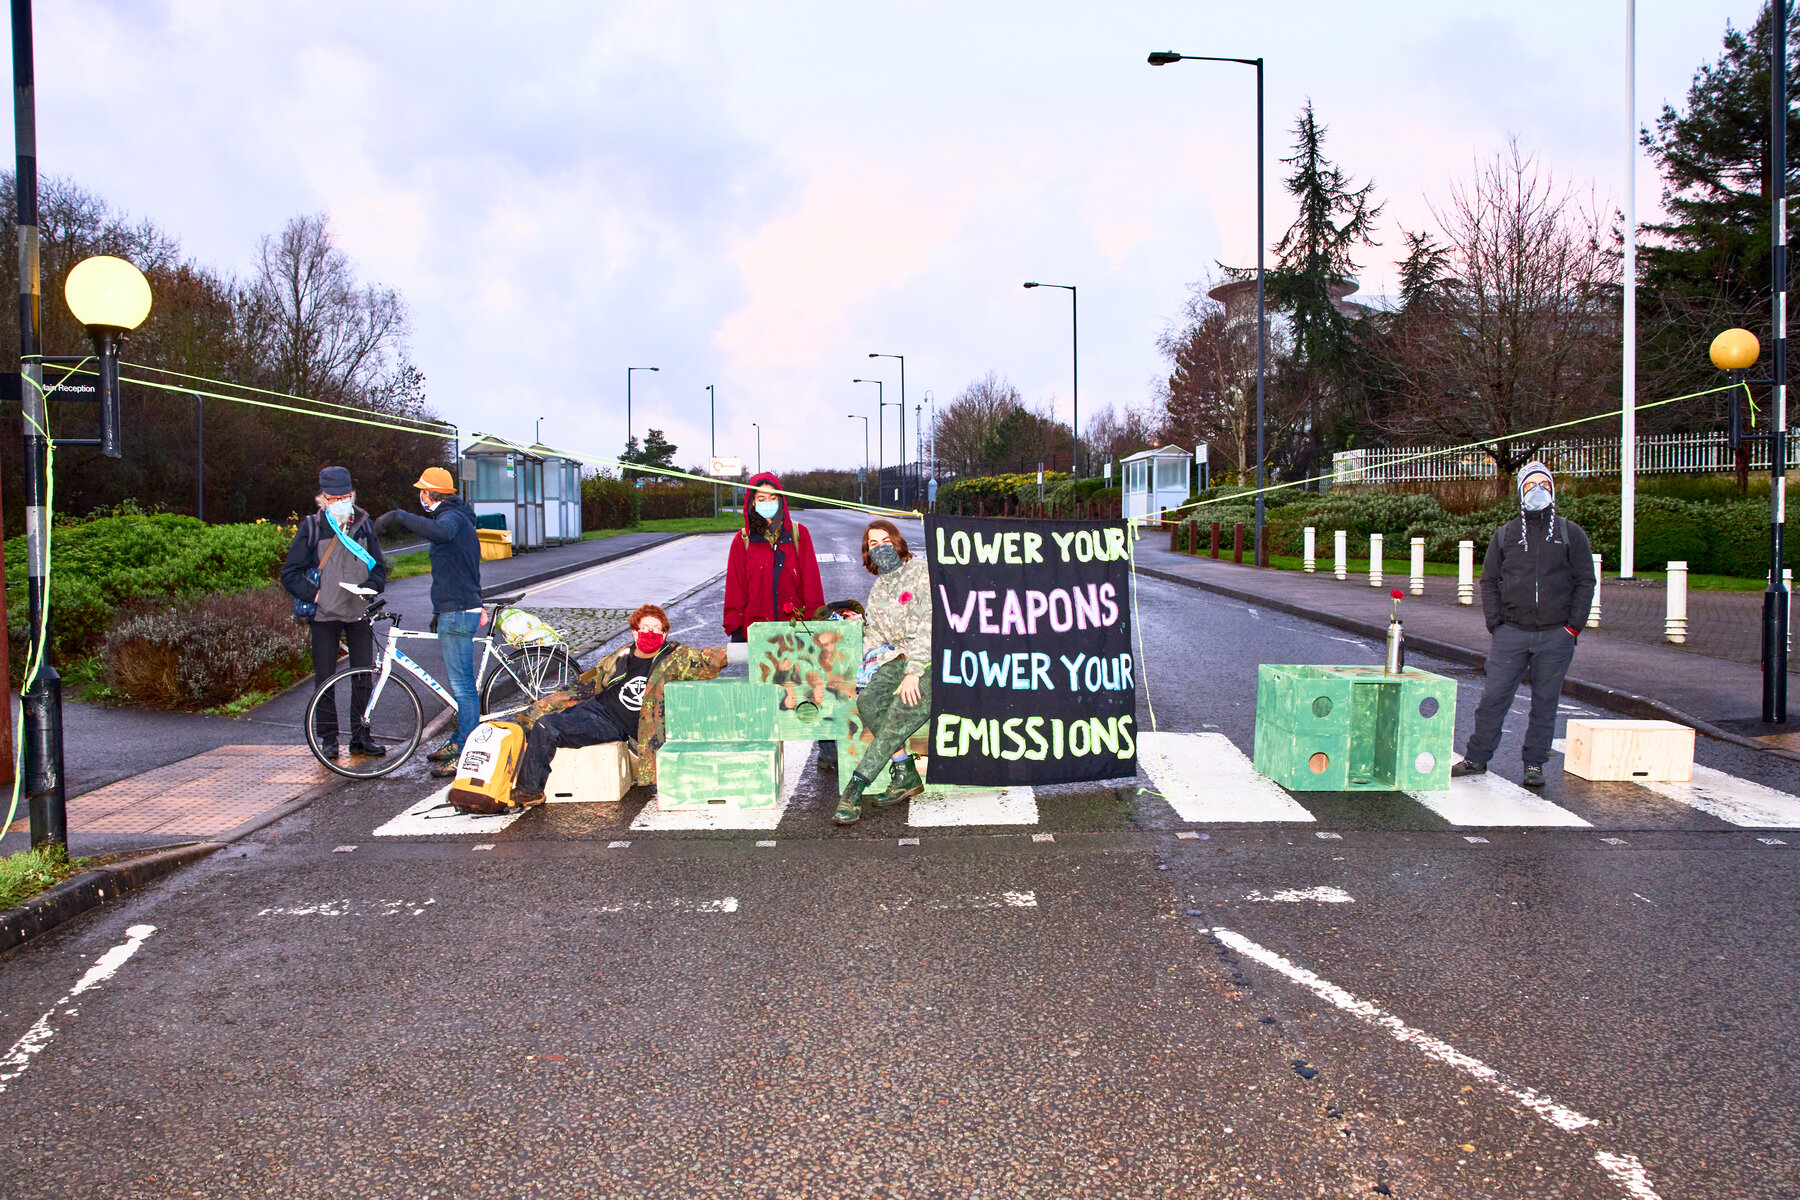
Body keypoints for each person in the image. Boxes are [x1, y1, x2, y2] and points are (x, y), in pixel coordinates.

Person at [1452, 461, 1596, 788]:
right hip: (1511, 633)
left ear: (1553, 490)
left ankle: (1534, 763)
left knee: (1545, 703)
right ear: (1520, 492)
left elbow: (1585, 581)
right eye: (1530, 485)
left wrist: (1573, 627)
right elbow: (1489, 581)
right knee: (1493, 699)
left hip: (1556, 635)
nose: (1537, 491)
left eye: (1544, 484)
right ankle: (1476, 758)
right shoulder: (1505, 535)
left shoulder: (1570, 533)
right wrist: (1495, 623)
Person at [512, 604, 728, 801]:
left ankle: (529, 791)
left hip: (610, 725)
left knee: (548, 727)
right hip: (595, 708)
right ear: (634, 632)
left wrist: (744, 649)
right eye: (644, 628)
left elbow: (709, 659)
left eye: (656, 629)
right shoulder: (623, 654)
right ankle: (511, 781)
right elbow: (587, 684)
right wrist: (540, 707)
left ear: (665, 633)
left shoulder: (675, 657)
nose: (650, 633)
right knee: (538, 723)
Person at [375, 466, 482, 777]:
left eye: (422, 491)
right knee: (461, 686)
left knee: (463, 688)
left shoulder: (452, 519)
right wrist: (439, 612)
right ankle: (460, 739)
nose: (420, 496)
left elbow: (442, 533)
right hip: (456, 608)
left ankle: (466, 751)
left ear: (429, 493)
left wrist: (399, 516)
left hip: (458, 611)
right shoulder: (457, 516)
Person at [282, 466, 389, 759]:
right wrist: (317, 596)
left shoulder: (364, 525)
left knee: (363, 677)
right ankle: (328, 739)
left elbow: (379, 568)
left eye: (345, 496)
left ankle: (361, 736)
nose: (341, 502)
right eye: (334, 498)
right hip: (324, 615)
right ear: (323, 498)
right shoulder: (312, 527)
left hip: (359, 612)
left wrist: (372, 586)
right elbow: (290, 574)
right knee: (325, 679)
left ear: (352, 494)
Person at [835, 519, 932, 824]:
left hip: (929, 660)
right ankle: (905, 772)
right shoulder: (878, 588)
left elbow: (931, 624)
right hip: (897, 658)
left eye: (885, 541)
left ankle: (855, 788)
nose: (880, 548)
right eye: (873, 544)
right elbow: (876, 634)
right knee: (867, 701)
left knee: (898, 714)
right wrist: (856, 657)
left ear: (898, 542)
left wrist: (914, 672)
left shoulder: (921, 572)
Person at [723, 473, 824, 642]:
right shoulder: (742, 540)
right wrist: (736, 628)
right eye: (761, 499)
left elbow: (812, 584)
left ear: (780, 500)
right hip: (757, 632)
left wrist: (815, 620)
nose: (767, 503)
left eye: (772, 498)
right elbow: (735, 589)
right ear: (753, 502)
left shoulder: (799, 534)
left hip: (795, 631)